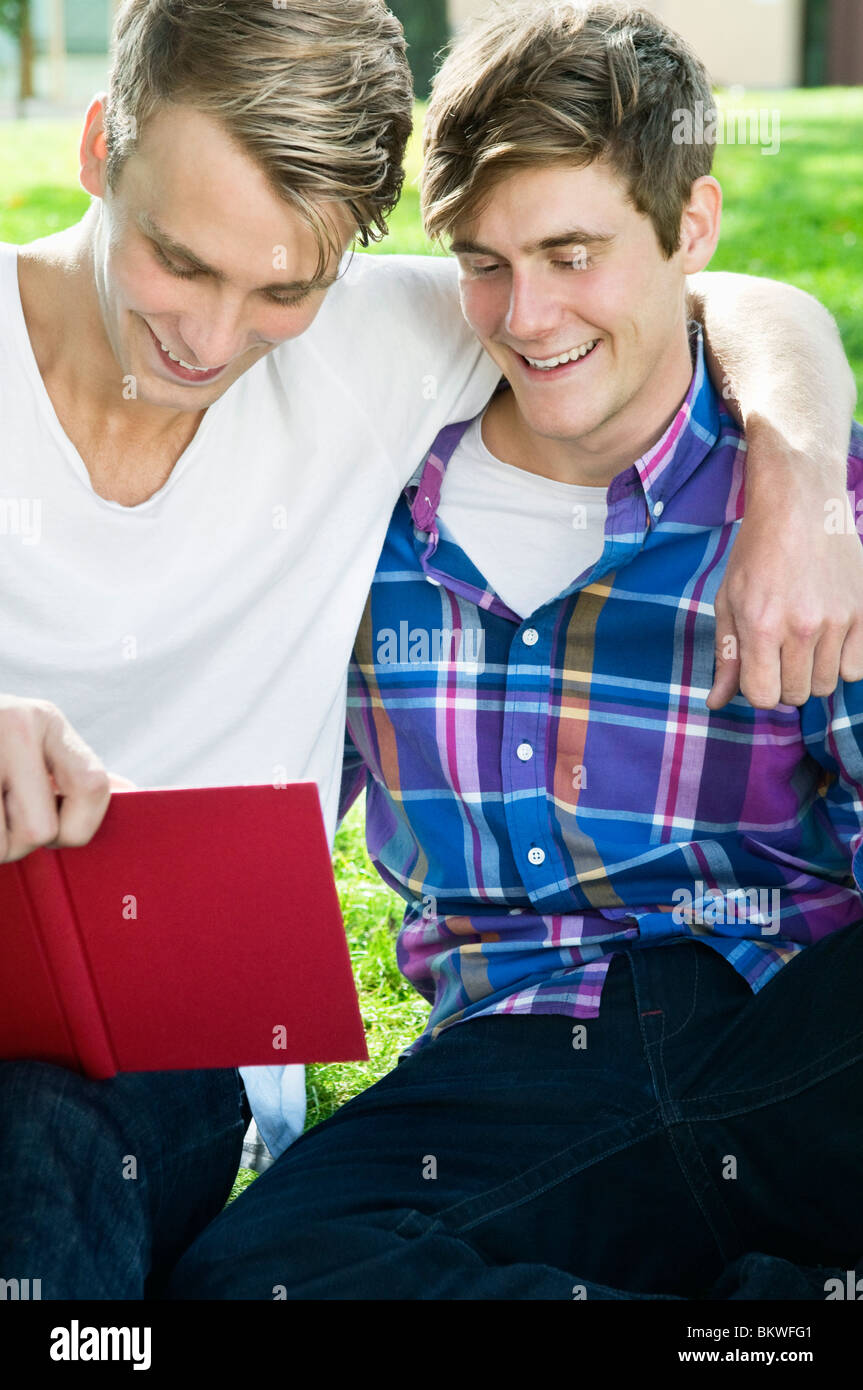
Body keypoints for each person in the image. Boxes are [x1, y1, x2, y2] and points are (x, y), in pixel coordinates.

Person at [0, 0, 856, 1301]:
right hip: (512, 1076)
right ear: (100, 145)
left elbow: (702, 292)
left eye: (284, 285)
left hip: (774, 1014)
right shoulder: (376, 445)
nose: (213, 340)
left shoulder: (373, 353)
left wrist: (799, 474)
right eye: (178, 261)